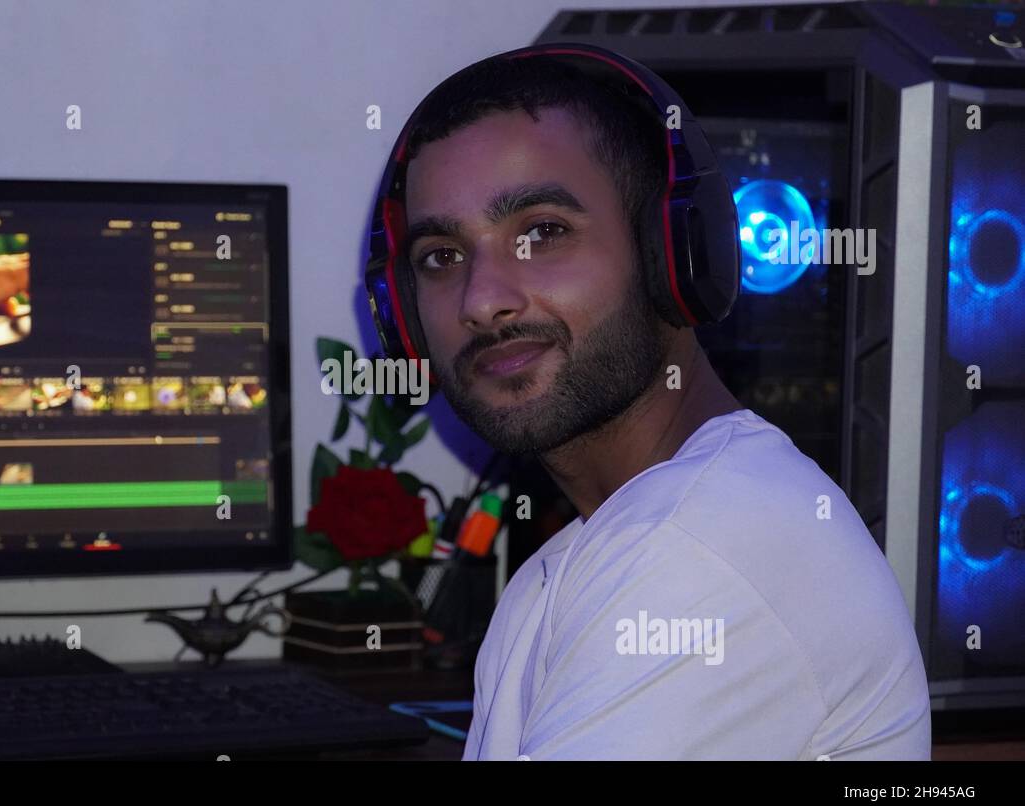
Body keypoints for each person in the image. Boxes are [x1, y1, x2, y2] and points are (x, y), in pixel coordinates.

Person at [393, 52, 930, 759]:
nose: (482, 298)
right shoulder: (593, 556)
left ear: (671, 255)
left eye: (543, 232)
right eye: (441, 255)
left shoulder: (695, 553)